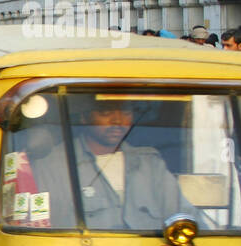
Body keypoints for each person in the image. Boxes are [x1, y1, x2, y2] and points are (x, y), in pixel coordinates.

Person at [28, 97, 192, 231]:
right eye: (105, 112)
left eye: (126, 112)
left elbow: (184, 218)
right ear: (84, 118)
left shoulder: (150, 165)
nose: (118, 120)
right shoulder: (52, 165)